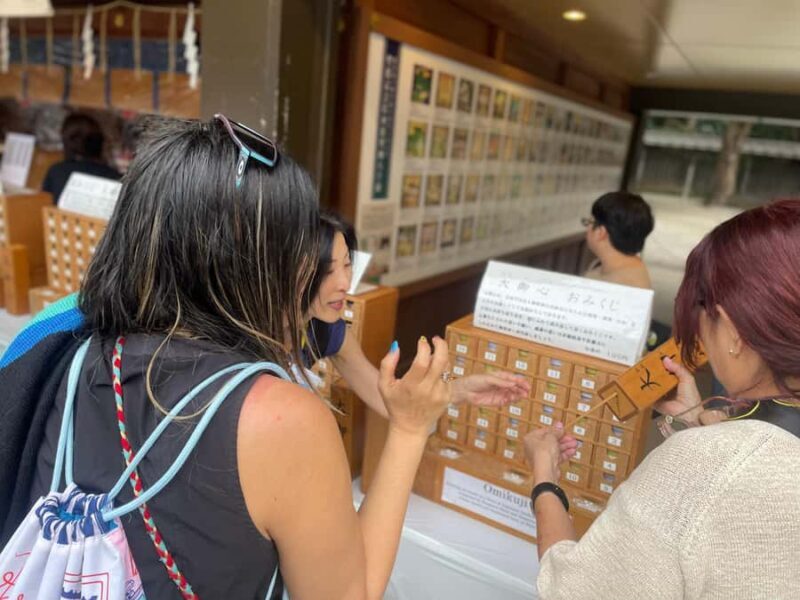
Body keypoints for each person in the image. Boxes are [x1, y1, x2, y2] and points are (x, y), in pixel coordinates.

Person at [20, 116, 454, 599]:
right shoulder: (280, 417)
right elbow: (351, 593)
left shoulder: (75, 348)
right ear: (253, 263)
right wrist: (411, 428)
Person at [524, 199, 800, 599]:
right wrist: (697, 425)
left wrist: (544, 478)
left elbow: (574, 587)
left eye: (703, 310)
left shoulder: (702, 468)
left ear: (736, 331)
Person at [302, 210, 531, 418]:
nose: (344, 282)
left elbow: (389, 397)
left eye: (347, 264)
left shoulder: (327, 330)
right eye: (327, 270)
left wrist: (458, 386)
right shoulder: (267, 340)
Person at [42, 112, 121, 203]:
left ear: (66, 142)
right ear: (100, 142)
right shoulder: (115, 177)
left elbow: (43, 206)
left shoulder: (56, 171)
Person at [582, 191, 654, 289]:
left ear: (600, 232)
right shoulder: (604, 265)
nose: (587, 229)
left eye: (589, 222)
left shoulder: (627, 286)